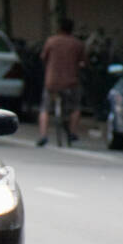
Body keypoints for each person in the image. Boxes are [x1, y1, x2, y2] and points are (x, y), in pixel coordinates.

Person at [37, 16, 86, 146]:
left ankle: (43, 135)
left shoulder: (51, 41)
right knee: (75, 107)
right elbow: (82, 62)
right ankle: (73, 132)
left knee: (45, 108)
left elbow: (43, 58)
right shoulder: (77, 44)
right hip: (71, 82)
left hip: (52, 81)